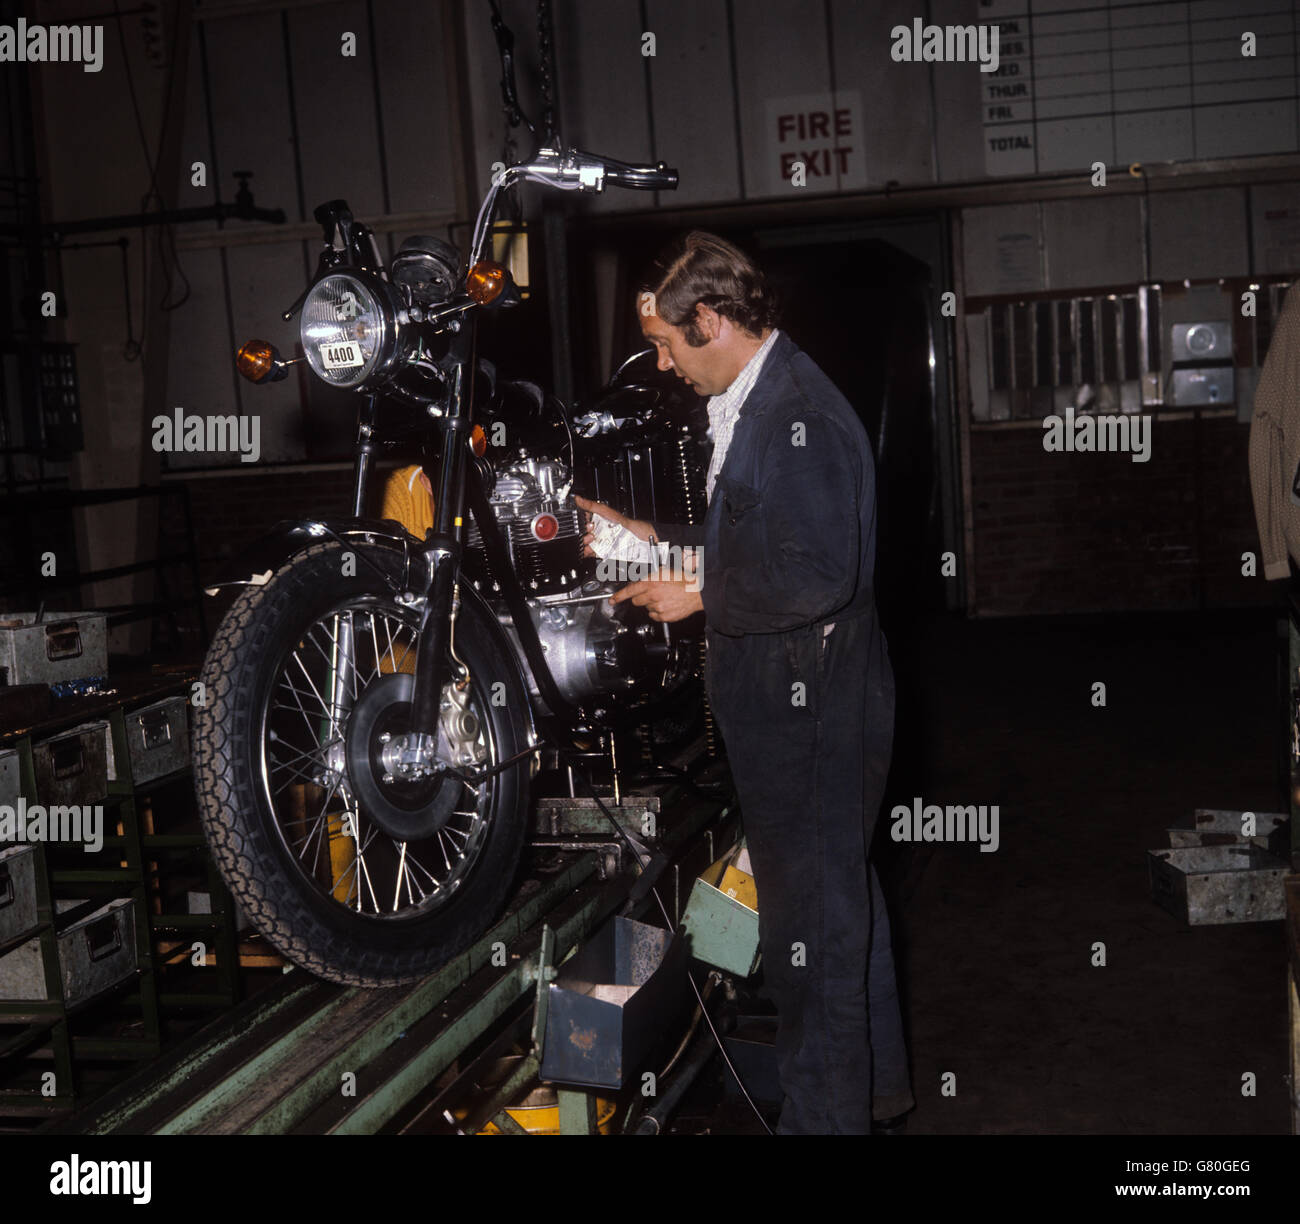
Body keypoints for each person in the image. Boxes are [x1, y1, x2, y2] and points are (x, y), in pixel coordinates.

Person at [575, 230, 910, 1134]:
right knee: (843, 900)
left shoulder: (796, 413)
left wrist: (700, 596)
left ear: (712, 320)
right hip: (799, 700)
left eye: (668, 344)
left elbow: (815, 576)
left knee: (814, 938)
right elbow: (759, 552)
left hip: (815, 710)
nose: (662, 363)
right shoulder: (758, 401)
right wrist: (642, 546)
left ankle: (824, 1119)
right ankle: (875, 1091)